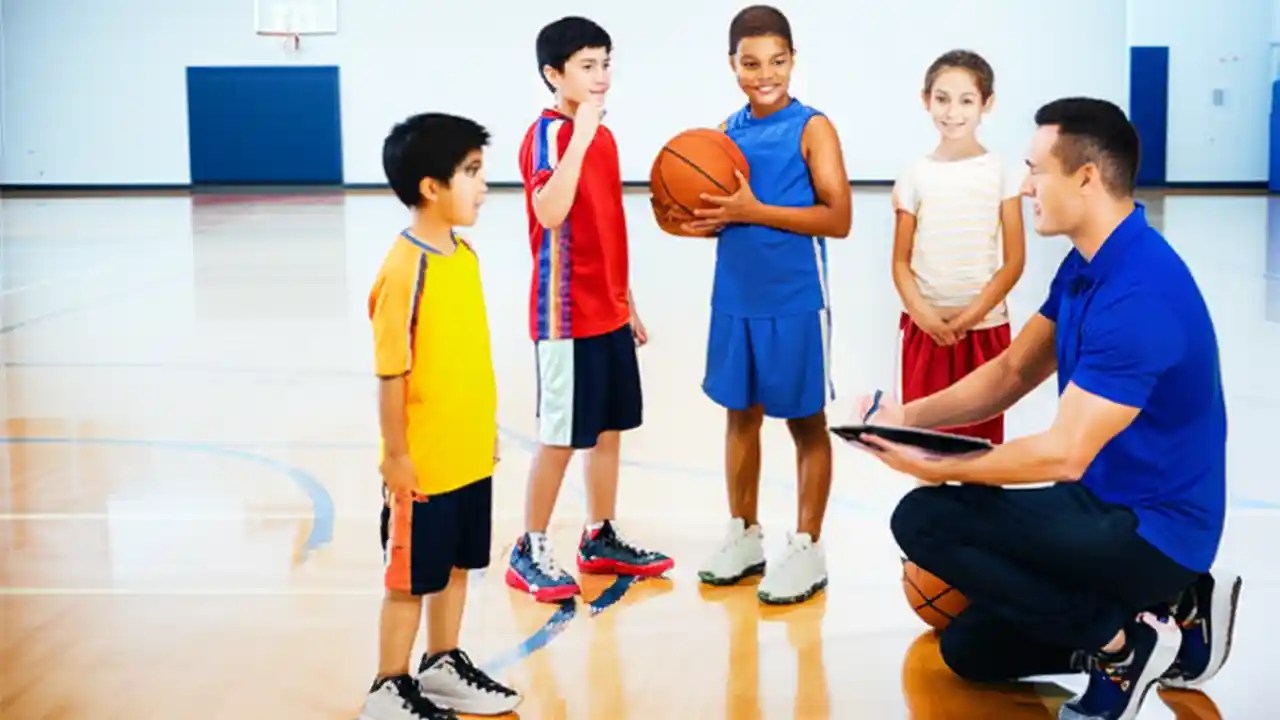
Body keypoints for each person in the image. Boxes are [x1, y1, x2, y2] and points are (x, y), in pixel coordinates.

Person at [857, 97, 1240, 720]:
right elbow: (1010, 373)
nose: (1027, 185)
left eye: (1038, 170)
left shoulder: (1142, 294)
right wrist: (903, 418)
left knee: (925, 519)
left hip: (1152, 531)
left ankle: (1124, 644)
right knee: (970, 650)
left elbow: (1063, 455)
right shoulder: (1087, 265)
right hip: (1101, 507)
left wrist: (935, 467)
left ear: (1086, 178)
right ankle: (1178, 614)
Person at [688, 4, 852, 605]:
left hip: (795, 298)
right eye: (751, 63)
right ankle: (744, 533)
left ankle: (807, 545)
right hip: (734, 296)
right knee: (739, 416)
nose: (765, 74)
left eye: (777, 61)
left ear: (792, 61)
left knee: (805, 422)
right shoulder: (723, 133)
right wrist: (693, 218)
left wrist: (753, 211)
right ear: (732, 65)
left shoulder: (813, 128)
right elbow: (716, 213)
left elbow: (839, 218)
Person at [360, 113, 522, 720]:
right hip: (422, 465)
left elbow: (466, 358)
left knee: (457, 568)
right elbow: (391, 373)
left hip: (468, 454)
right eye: (472, 173)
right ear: (431, 186)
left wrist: (486, 436)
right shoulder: (404, 270)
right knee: (409, 580)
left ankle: (443, 662)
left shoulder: (464, 255)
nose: (483, 186)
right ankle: (388, 685)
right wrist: (397, 456)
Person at [507, 15, 674, 604]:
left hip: (605, 308)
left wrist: (626, 300)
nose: (601, 76)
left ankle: (599, 535)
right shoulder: (552, 135)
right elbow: (551, 211)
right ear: (554, 74)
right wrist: (580, 132)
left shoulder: (600, 135)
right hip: (565, 315)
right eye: (587, 65)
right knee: (560, 436)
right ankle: (529, 547)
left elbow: (604, 227)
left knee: (608, 431)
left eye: (605, 63)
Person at [891, 49, 1026, 444]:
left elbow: (1014, 260)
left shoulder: (1003, 171)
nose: (953, 112)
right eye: (942, 99)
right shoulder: (915, 173)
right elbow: (900, 261)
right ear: (925, 100)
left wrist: (969, 318)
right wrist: (924, 317)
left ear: (987, 104)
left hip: (984, 331)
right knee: (924, 445)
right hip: (924, 332)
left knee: (979, 448)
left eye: (967, 100)